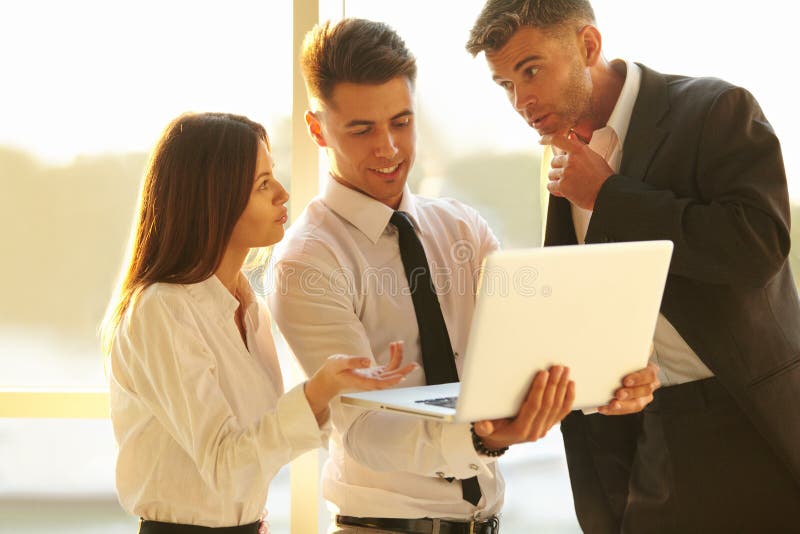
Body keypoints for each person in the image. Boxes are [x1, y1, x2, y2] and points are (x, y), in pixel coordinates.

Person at [267, 18, 659, 534]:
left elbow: (530, 346)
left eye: (401, 122)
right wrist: (482, 438)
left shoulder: (461, 228)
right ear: (318, 129)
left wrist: (608, 379)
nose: (387, 148)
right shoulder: (306, 262)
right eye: (361, 130)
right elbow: (362, 430)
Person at [466, 0, 800, 531]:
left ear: (588, 46)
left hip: (750, 425)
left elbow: (758, 247)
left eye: (531, 70)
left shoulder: (716, 109)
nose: (520, 100)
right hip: (647, 443)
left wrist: (611, 196)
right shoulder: (564, 164)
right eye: (505, 83)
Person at [100, 112, 417, 534]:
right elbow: (226, 468)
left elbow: (253, 454)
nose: (283, 194)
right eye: (262, 184)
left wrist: (337, 391)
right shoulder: (161, 310)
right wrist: (317, 391)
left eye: (274, 177)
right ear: (213, 198)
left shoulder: (251, 310)